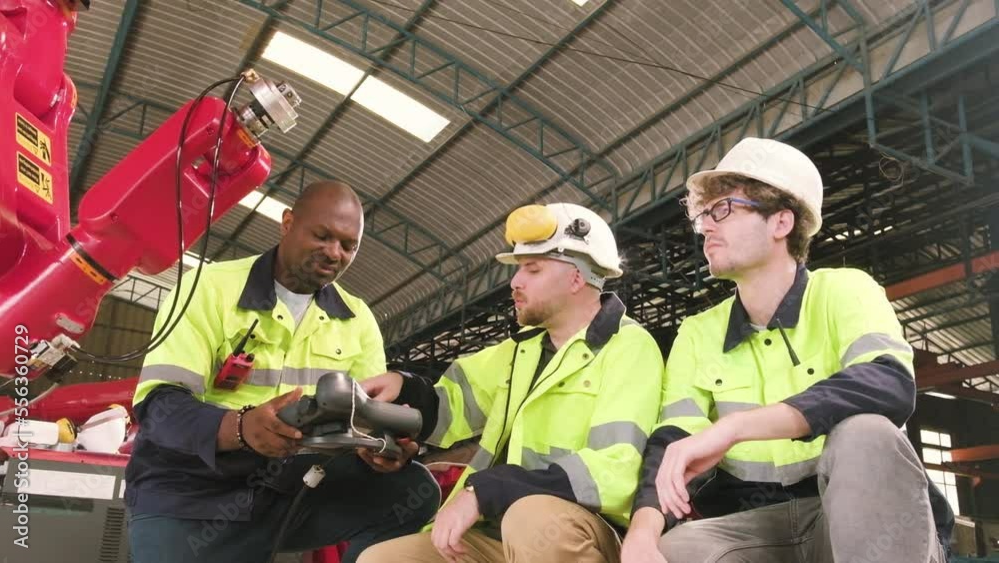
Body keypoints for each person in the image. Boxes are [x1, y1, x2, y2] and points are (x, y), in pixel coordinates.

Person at [621, 137, 954, 563]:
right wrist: (642, 532)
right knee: (677, 550)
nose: (705, 226)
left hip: (854, 518)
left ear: (781, 223)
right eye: (703, 215)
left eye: (721, 209)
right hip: (759, 525)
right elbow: (673, 442)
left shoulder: (845, 290)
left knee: (867, 432)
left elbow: (886, 382)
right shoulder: (698, 332)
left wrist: (734, 427)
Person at [124, 181, 439, 563]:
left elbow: (364, 421)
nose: (333, 253)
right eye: (322, 236)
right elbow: (160, 408)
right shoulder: (207, 288)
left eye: (348, 245)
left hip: (291, 489)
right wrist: (241, 428)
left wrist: (379, 448)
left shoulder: (357, 319)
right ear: (287, 222)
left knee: (410, 489)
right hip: (192, 492)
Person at [356, 203, 665, 563]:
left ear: (576, 278)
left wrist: (488, 491)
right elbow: (452, 405)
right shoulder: (522, 349)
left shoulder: (628, 347)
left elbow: (616, 468)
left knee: (530, 519)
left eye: (532, 270)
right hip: (496, 530)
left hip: (578, 527)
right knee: (379, 560)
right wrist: (403, 387)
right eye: (518, 270)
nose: (515, 282)